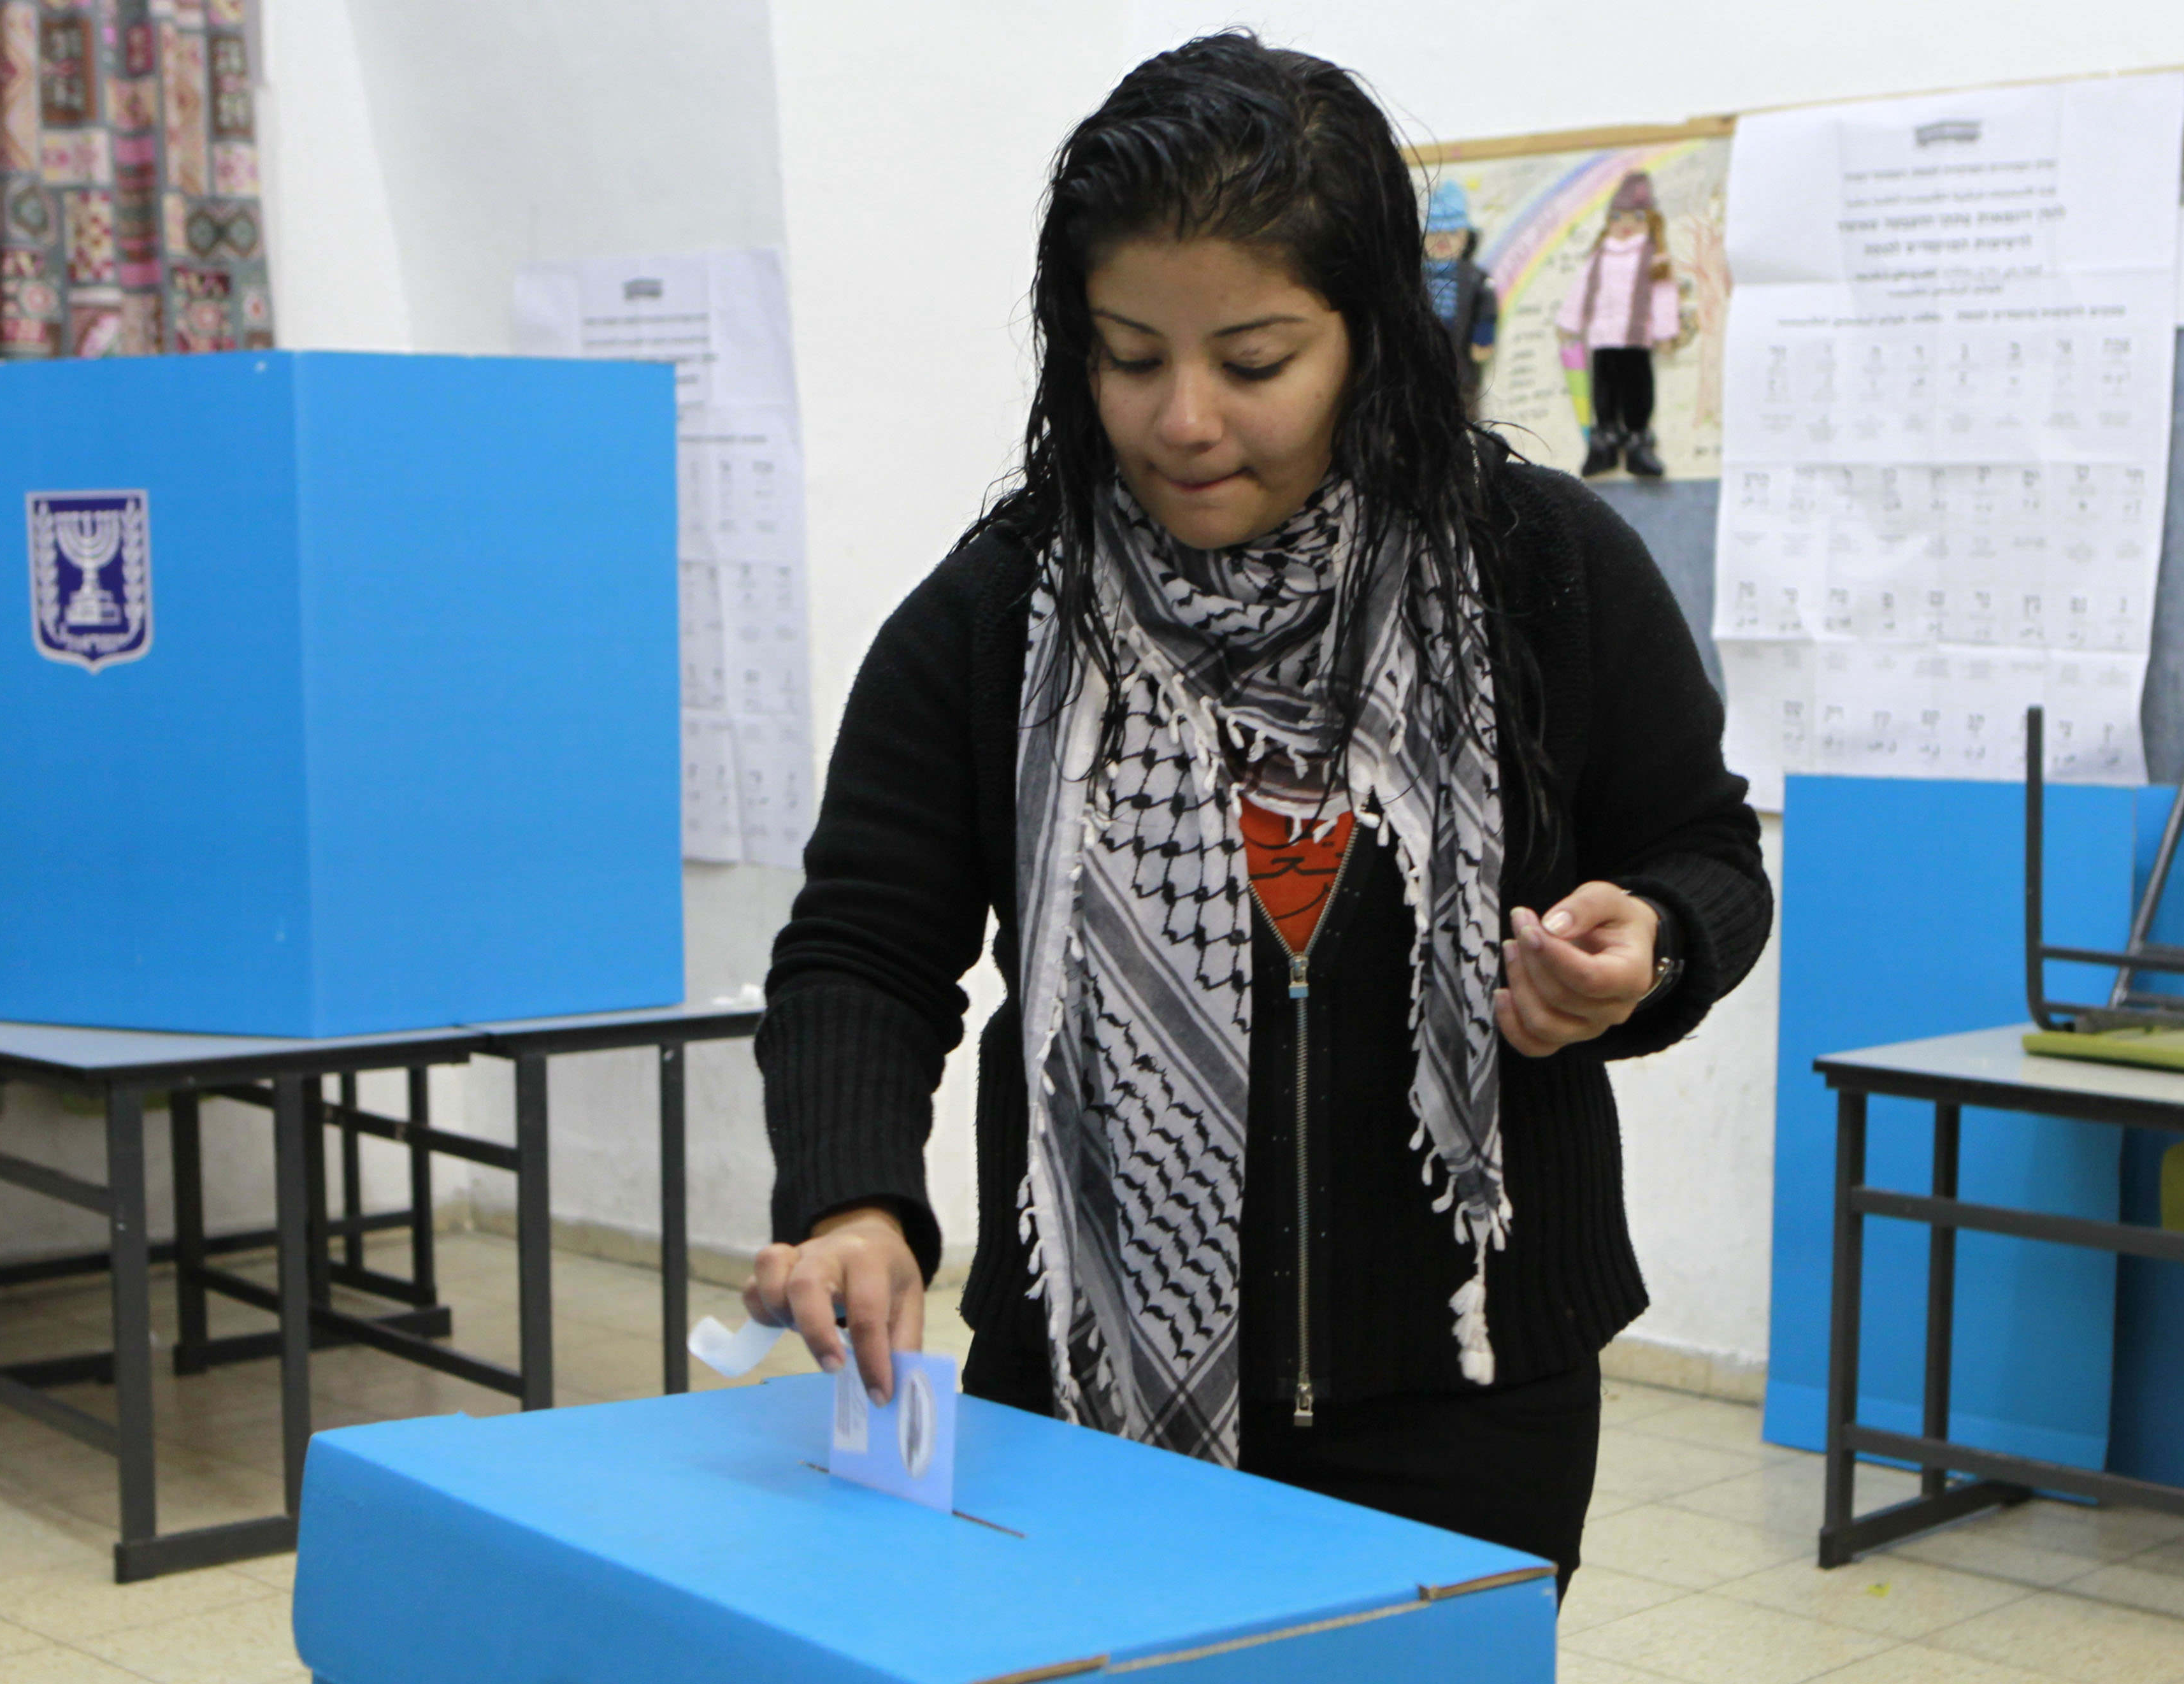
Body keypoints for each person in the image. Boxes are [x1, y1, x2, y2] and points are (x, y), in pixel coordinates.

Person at [746, 34, 1769, 1593]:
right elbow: (862, 956)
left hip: (1468, 1397)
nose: (1184, 420)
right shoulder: (997, 618)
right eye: (1129, 354)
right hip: (1084, 1390)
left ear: (1370, 337)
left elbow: (1704, 849)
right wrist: (854, 1199)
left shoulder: (1539, 570)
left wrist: (1657, 945)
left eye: (1254, 357)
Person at [1555, 173, 1684, 479]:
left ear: (1649, 220)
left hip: (1638, 341)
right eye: (1617, 216)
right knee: (1604, 394)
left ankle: (1639, 446)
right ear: (1609, 220)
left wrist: (1666, 332)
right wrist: (1570, 322)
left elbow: (1664, 297)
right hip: (1602, 339)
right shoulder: (1599, 256)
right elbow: (1581, 290)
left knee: (1638, 393)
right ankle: (1605, 449)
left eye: (1636, 217)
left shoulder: (1654, 257)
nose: (1625, 225)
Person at [1423, 180, 1498, 410]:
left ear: (1466, 237)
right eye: (1434, 233)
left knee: (1463, 405)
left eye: (1452, 233)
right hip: (1422, 361)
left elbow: (1486, 310)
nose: (1442, 241)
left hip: (1461, 359)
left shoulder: (1475, 278)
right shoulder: (1414, 277)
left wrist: (1484, 337)